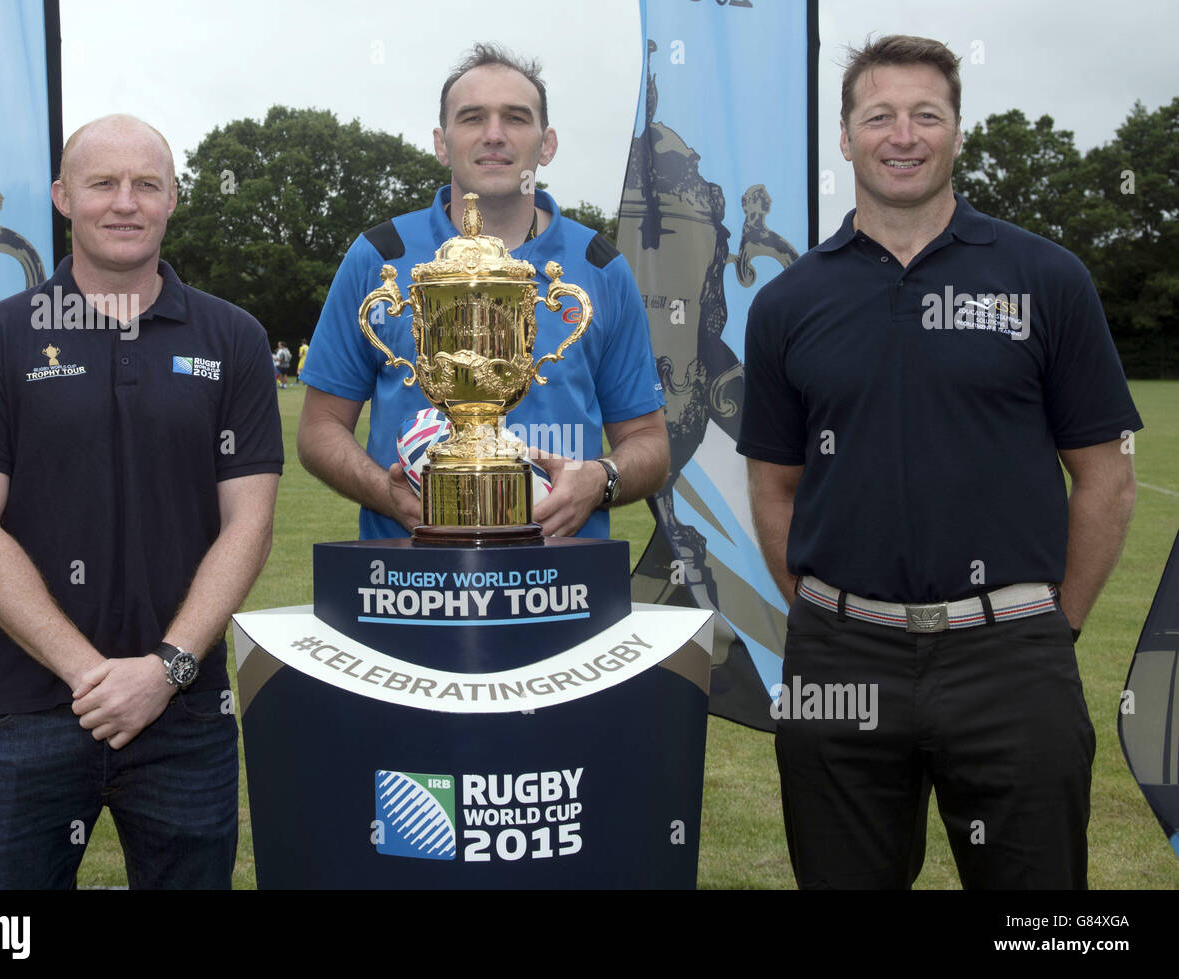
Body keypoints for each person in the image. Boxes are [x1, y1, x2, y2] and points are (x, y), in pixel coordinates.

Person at [737, 35, 1140, 889]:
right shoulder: (787, 303)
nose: (903, 135)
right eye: (877, 116)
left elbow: (1106, 474)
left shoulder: (1048, 277)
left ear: (959, 131)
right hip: (840, 667)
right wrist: (824, 617)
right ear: (844, 137)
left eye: (927, 114)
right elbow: (773, 486)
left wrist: (1051, 625)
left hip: (1012, 659)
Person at [0, 114, 283, 889]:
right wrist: (97, 676)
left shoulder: (234, 339)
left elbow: (249, 523)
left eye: (146, 185)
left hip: (185, 713)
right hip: (23, 708)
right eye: (102, 184)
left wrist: (164, 671)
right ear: (63, 196)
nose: (125, 203)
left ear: (172, 199)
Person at [297, 43, 668, 539]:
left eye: (516, 118)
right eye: (472, 118)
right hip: (413, 590)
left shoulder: (601, 265)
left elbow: (648, 442)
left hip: (559, 588)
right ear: (441, 143)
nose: (494, 135)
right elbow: (319, 429)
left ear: (547, 144)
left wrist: (599, 480)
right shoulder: (379, 255)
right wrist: (384, 491)